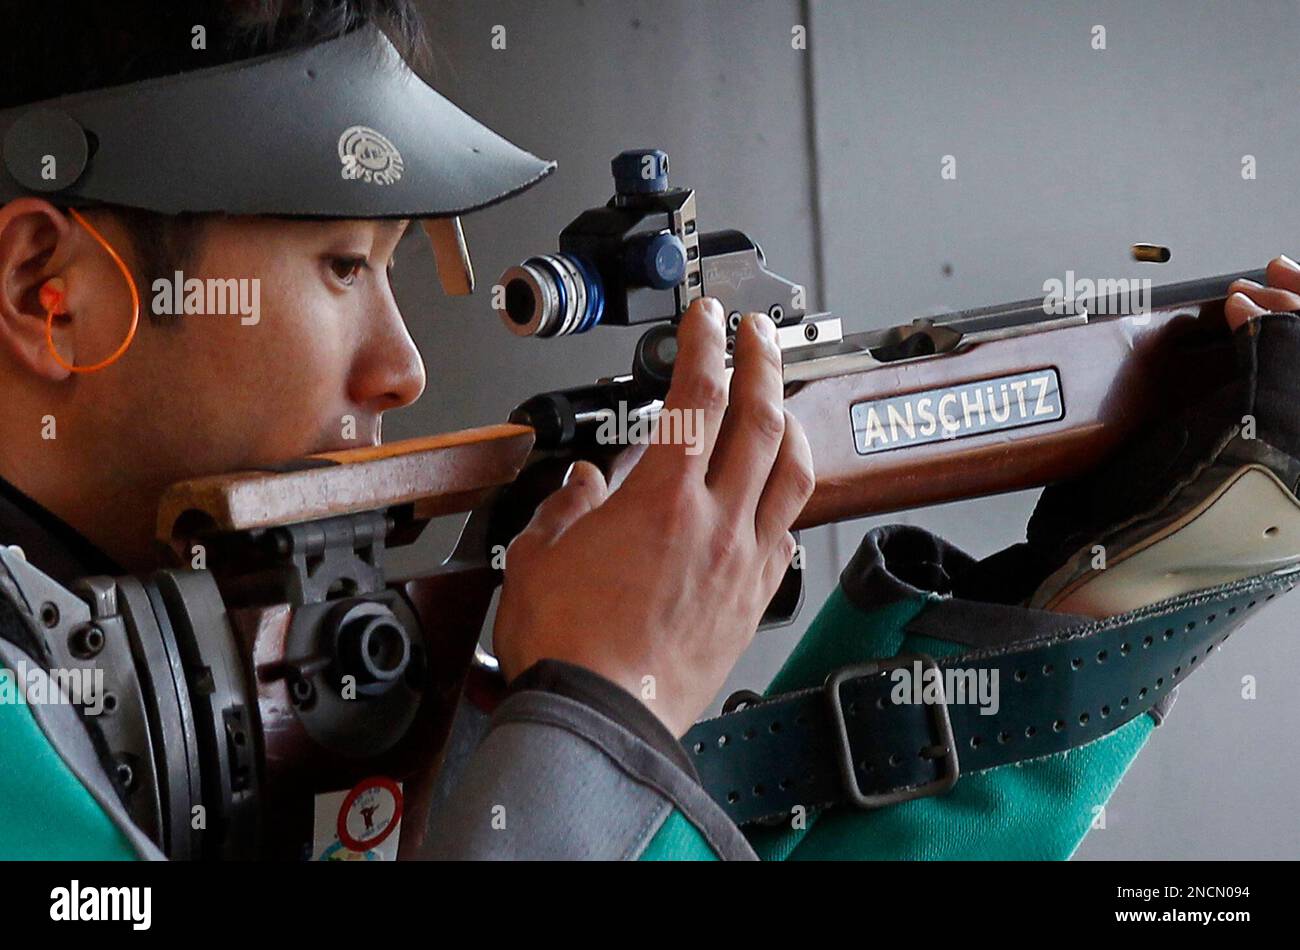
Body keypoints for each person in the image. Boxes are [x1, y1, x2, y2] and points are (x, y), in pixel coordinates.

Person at [0, 0, 1294, 860]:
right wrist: (599, 712)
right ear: (45, 296)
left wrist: (1121, 585)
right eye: (346, 267)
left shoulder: (132, 663)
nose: (400, 366)